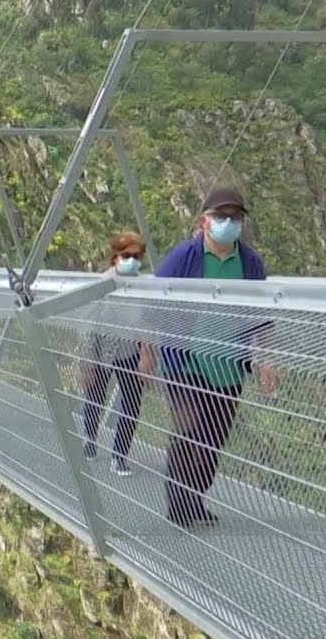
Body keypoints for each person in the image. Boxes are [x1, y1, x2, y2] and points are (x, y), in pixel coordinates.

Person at [149, 186, 278, 528]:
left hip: (228, 368)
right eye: (222, 216)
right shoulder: (185, 257)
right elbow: (151, 301)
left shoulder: (250, 263)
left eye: (236, 217)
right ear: (204, 221)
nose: (229, 222)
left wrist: (264, 359)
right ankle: (178, 504)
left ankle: (195, 500)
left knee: (213, 438)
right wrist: (151, 347)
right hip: (186, 364)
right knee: (188, 430)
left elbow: (261, 315)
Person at [80, 231, 151, 476]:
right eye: (127, 255)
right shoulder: (103, 283)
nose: (132, 260)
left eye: (137, 256)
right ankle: (89, 440)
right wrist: (87, 364)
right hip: (104, 351)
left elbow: (148, 323)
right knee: (95, 398)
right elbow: (89, 326)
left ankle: (119, 457)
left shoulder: (144, 285)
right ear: (116, 256)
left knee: (131, 404)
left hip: (131, 351)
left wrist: (147, 356)